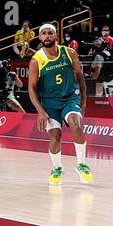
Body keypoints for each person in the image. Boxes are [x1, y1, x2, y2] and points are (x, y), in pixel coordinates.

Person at [27, 23, 92, 187]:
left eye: (50, 33)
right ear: (40, 37)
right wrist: (40, 111)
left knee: (76, 126)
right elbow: (31, 88)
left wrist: (83, 101)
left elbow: (80, 78)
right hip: (49, 104)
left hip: (70, 99)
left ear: (56, 36)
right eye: (43, 33)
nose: (47, 36)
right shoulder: (36, 60)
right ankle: (57, 168)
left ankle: (81, 164)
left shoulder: (69, 53)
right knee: (55, 136)